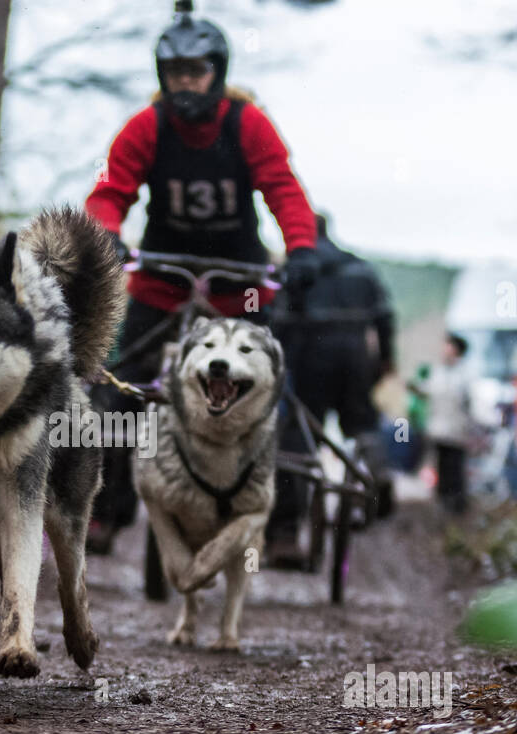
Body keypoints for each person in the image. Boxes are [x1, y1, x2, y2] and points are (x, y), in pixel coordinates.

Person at [82, 0, 320, 555]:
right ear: (163, 76)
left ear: (219, 73)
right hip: (161, 283)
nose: (186, 83)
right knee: (120, 392)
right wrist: (108, 234)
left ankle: (282, 524)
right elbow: (110, 192)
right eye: (176, 73)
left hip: (239, 288)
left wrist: (302, 248)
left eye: (197, 72)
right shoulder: (148, 125)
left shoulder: (248, 124)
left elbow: (283, 188)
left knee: (274, 388)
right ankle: (104, 514)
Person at [265, 212, 397, 568]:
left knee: (298, 436)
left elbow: (274, 319)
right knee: (362, 422)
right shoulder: (361, 269)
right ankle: (377, 475)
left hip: (308, 354)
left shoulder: (294, 270)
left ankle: (285, 535)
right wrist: (385, 359)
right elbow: (385, 316)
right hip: (355, 355)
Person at [415, 333, 474, 514]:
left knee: (454, 468)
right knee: (442, 467)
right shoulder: (438, 371)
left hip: (457, 431)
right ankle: (444, 503)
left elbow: (469, 402)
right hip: (439, 430)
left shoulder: (465, 374)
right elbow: (429, 390)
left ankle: (456, 506)